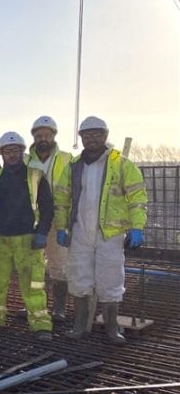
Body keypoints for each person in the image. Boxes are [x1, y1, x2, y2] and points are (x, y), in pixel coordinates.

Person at [54, 116, 147, 345]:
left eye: (96, 134)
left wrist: (137, 226)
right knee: (79, 278)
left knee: (110, 279)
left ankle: (112, 328)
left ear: (105, 136)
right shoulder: (74, 166)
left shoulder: (121, 163)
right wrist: (61, 226)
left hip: (110, 234)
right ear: (81, 138)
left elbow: (137, 196)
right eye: (86, 135)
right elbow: (62, 198)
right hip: (80, 232)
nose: (91, 139)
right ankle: (79, 326)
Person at [0, 131, 54, 340]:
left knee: (33, 283)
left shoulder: (35, 176)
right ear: (1, 154)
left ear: (22, 152)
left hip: (27, 239)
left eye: (15, 151)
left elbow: (47, 208)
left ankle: (40, 323)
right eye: (7, 151)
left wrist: (42, 232)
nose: (11, 155)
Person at [25, 116, 72, 322]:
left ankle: (59, 308)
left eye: (47, 134)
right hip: (31, 220)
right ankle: (34, 306)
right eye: (38, 135)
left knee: (58, 264)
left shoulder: (66, 158)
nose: (43, 138)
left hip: (57, 220)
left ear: (53, 136)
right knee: (31, 264)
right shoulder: (25, 160)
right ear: (34, 137)